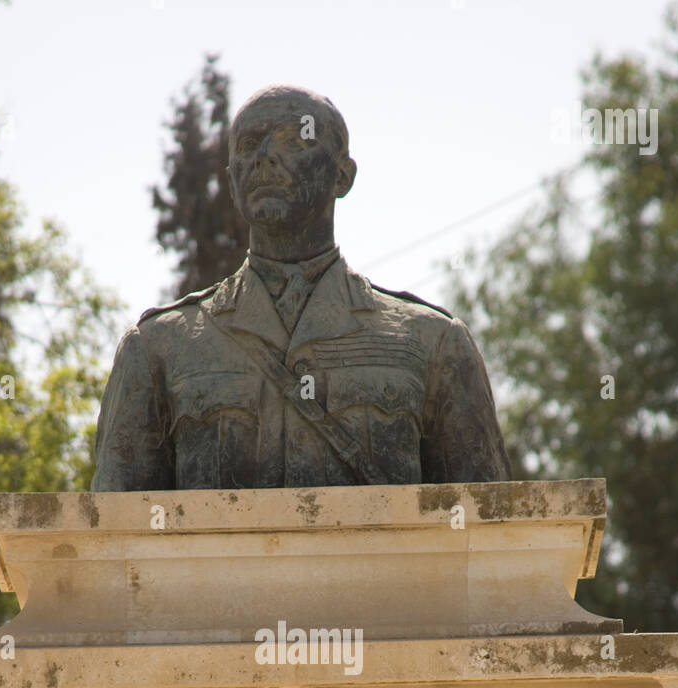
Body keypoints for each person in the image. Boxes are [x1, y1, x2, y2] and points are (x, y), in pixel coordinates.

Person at [92, 84, 511, 491]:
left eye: (295, 139)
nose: (264, 157)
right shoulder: (157, 349)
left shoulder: (433, 344)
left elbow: (490, 540)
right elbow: (113, 541)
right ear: (232, 177)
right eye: (249, 144)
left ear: (342, 176)